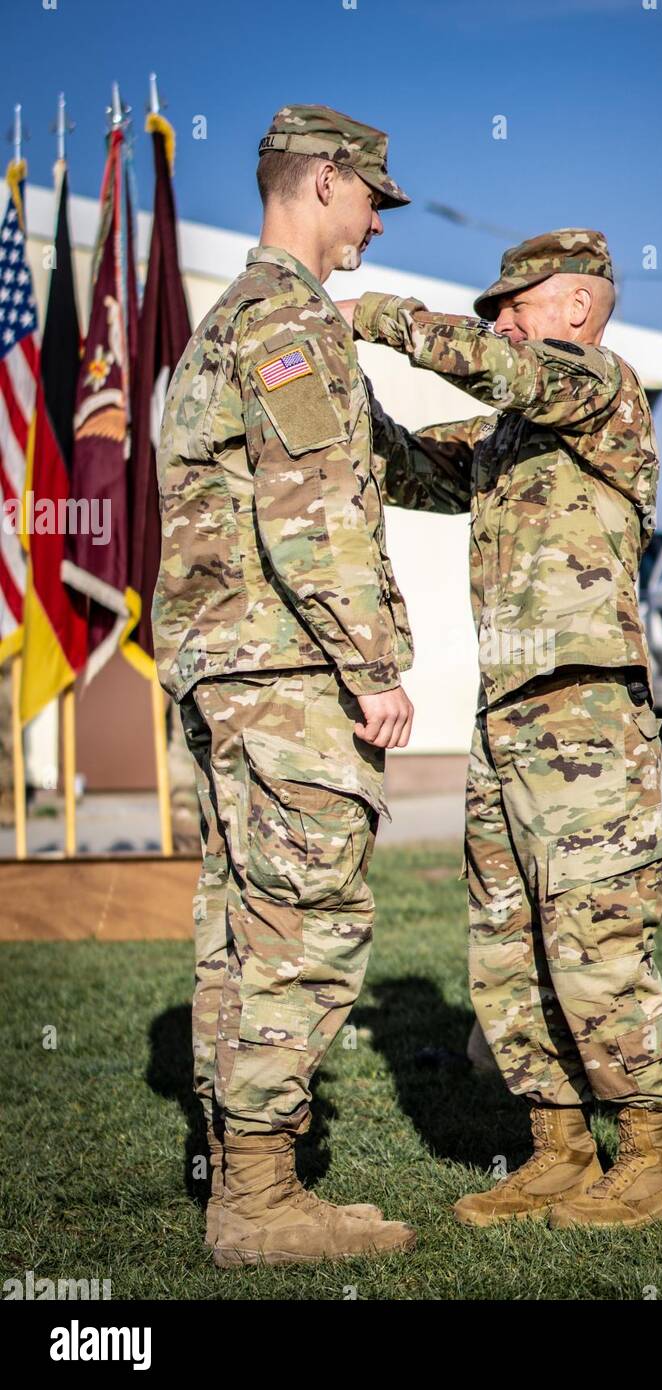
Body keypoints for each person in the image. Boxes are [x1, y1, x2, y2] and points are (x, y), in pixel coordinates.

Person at [336, 228, 662, 1230]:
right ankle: (557, 1147)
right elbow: (409, 465)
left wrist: (370, 316)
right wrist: (339, 389)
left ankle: (657, 1158)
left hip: (584, 708)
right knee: (508, 939)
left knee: (594, 930)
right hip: (505, 709)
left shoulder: (598, 388)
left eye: (518, 301)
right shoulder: (511, 436)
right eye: (495, 306)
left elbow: (497, 364)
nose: (501, 319)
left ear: (579, 305)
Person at [153, 104, 419, 1267]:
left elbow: (353, 468)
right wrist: (373, 666)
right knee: (304, 920)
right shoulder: (286, 322)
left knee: (240, 924)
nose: (375, 216)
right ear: (322, 181)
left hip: (230, 676)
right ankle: (260, 1198)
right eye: (371, 194)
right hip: (286, 675)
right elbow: (310, 518)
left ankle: (244, 1175)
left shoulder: (229, 321)